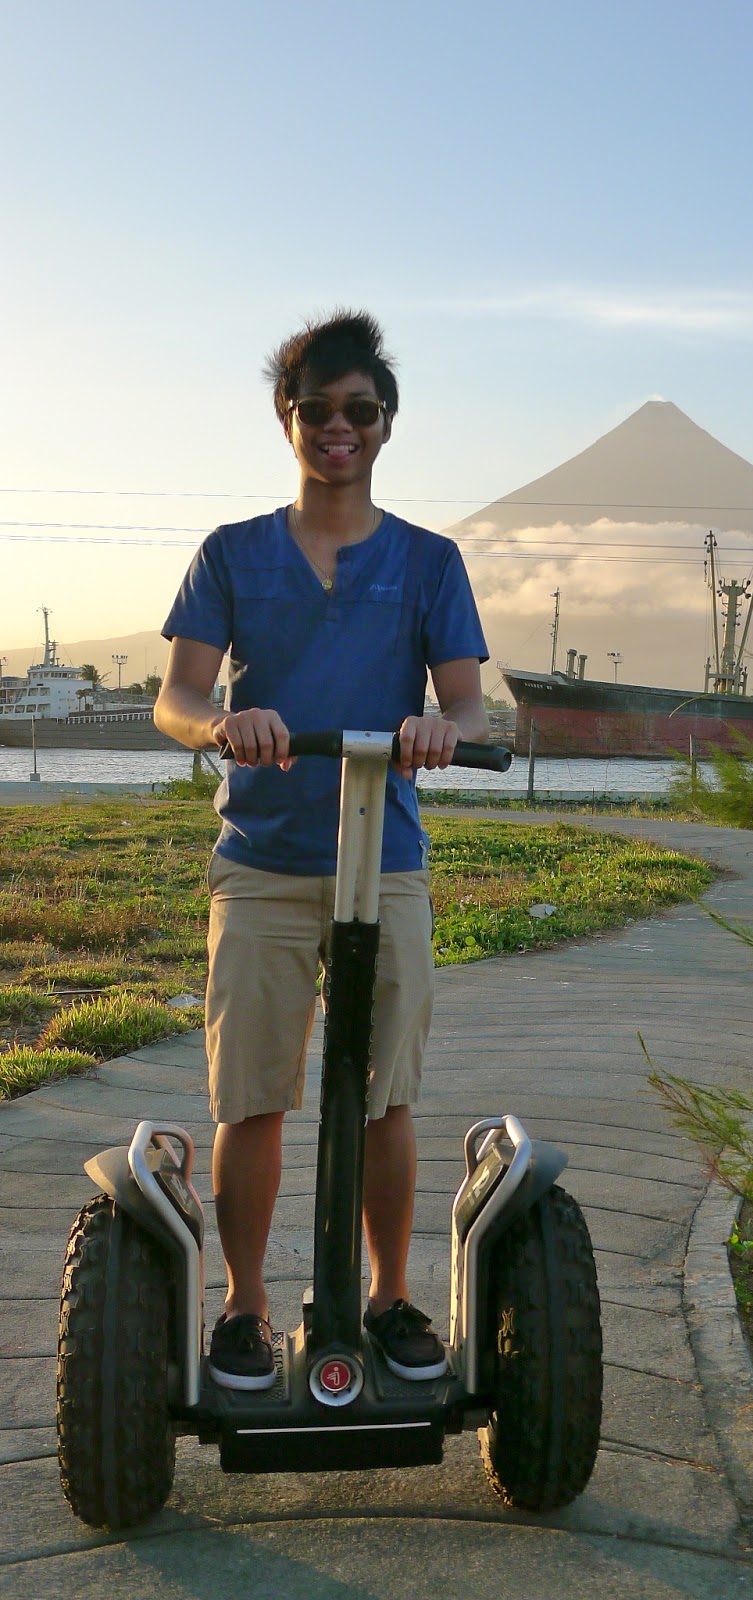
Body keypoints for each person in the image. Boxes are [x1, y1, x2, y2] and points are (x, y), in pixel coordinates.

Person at [154, 311, 489, 1390]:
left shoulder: (430, 562)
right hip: (262, 858)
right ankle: (246, 1308)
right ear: (286, 419)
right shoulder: (233, 554)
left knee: (385, 1093)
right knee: (249, 1095)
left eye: (359, 410)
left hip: (382, 857)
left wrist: (443, 729)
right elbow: (178, 693)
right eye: (317, 410)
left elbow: (473, 709)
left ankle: (390, 1296)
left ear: (385, 424)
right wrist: (220, 725)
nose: (337, 428)